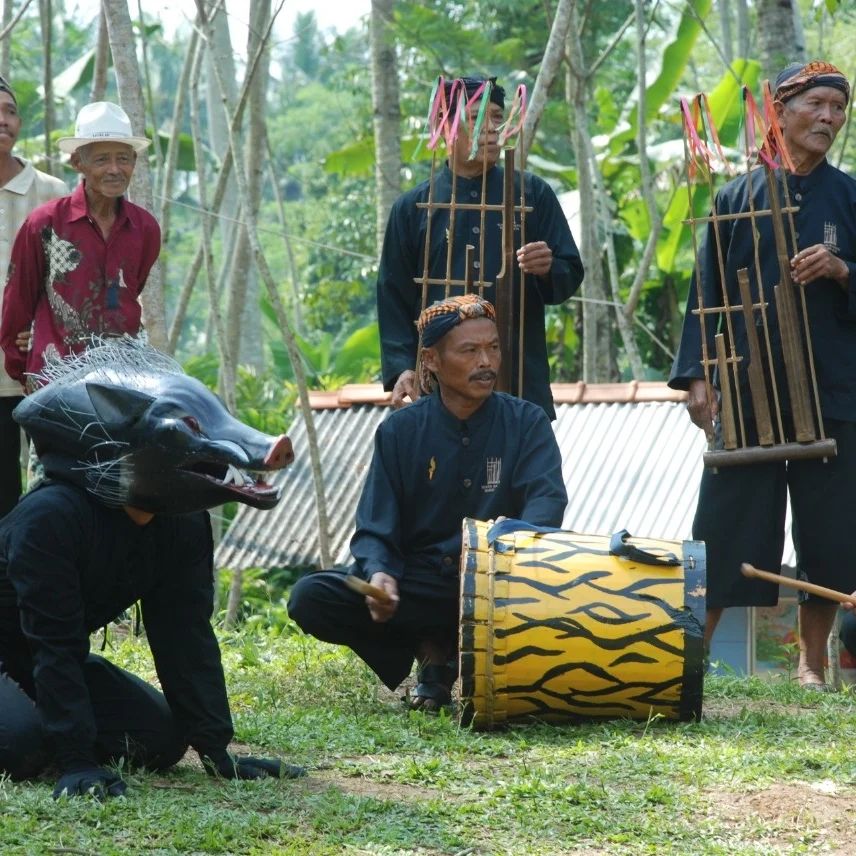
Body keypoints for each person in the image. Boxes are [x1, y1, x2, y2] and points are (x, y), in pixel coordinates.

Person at [0, 338, 303, 799]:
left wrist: (216, 751)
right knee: (19, 745)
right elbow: (55, 642)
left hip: (33, 661)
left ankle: (42, 727)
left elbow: (185, 633)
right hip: (36, 650)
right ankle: (42, 735)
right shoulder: (51, 519)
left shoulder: (180, 523)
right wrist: (77, 761)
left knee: (160, 739)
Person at [668, 61, 856, 690]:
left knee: (830, 524)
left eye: (837, 107)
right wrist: (697, 375)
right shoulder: (733, 199)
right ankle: (692, 657)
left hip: (835, 387)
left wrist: (842, 269)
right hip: (747, 385)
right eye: (816, 105)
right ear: (780, 110)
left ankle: (810, 663)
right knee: (725, 517)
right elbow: (706, 295)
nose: (828, 118)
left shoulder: (850, 197)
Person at [289, 294, 568, 710]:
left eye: (493, 347)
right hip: (420, 585)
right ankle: (431, 650)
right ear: (431, 360)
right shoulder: (400, 432)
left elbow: (545, 508)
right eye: (469, 351)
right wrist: (381, 575)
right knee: (311, 597)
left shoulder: (527, 422)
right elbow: (374, 528)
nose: (486, 362)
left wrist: (499, 560)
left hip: (500, 582)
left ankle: (451, 656)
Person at [377, 75, 584, 419]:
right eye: (475, 118)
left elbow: (569, 273)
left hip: (520, 382)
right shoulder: (414, 207)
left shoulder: (531, 195)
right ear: (446, 126)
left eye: (498, 118)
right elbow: (393, 297)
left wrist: (548, 268)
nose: (491, 129)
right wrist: (402, 369)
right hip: (437, 389)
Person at [0, 100, 160, 390]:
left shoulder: (145, 228)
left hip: (125, 383)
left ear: (134, 162)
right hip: (57, 384)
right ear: (78, 163)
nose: (115, 169)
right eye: (101, 160)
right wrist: (26, 373)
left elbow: (130, 291)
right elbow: (17, 307)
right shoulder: (45, 223)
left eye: (123, 158)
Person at [0, 76, 68, 517]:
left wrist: (39, 331)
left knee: (51, 491)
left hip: (35, 372)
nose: (3, 121)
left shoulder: (50, 194)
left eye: (9, 111)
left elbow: (67, 283)